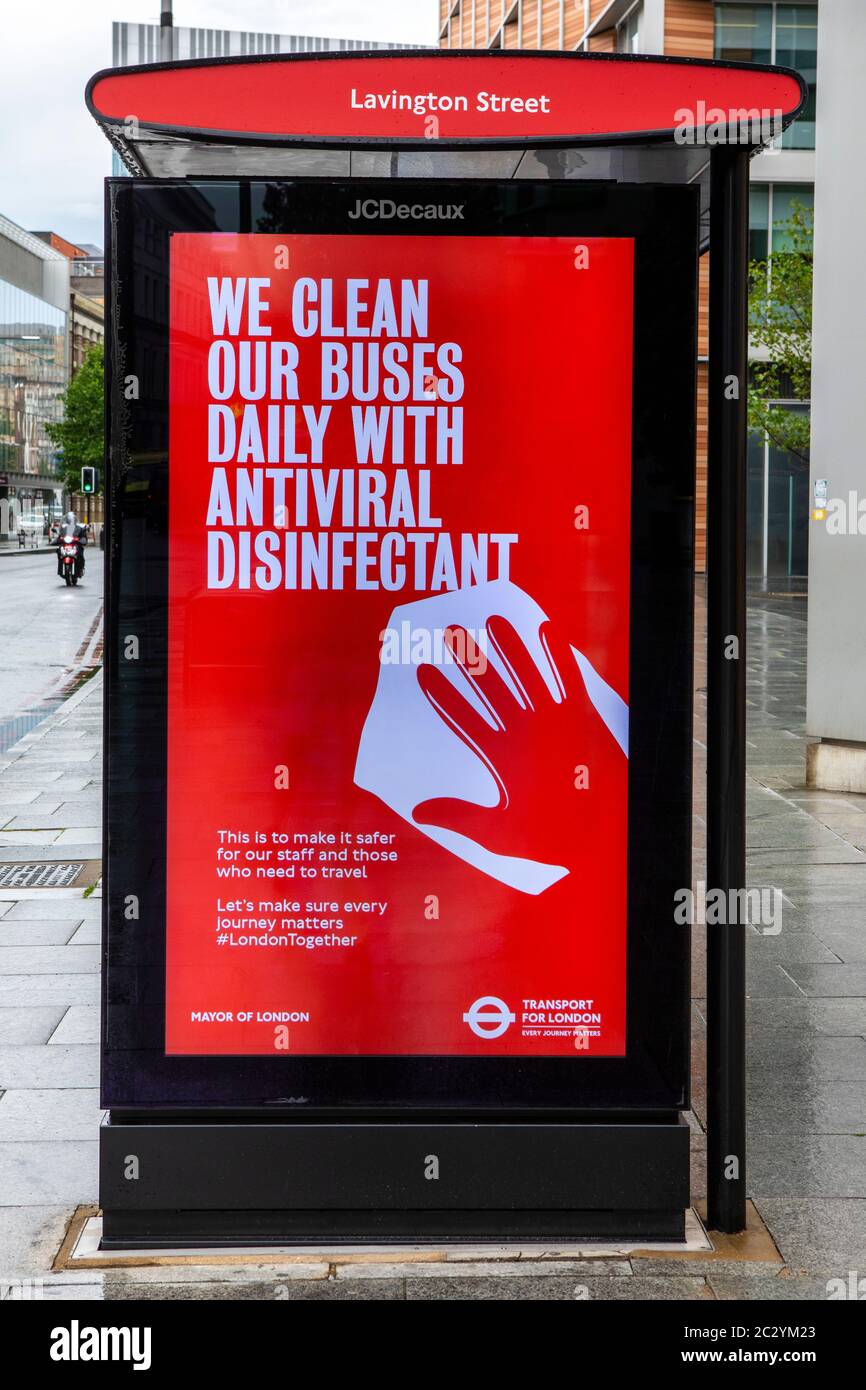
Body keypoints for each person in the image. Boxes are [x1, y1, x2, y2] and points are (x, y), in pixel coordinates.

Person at [56, 510, 87, 580]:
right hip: (66, 543)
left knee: (80, 551)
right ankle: (60, 570)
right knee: (59, 551)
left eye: (71, 519)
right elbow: (60, 534)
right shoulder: (64, 527)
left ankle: (81, 568)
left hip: (74, 543)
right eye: (69, 519)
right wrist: (58, 538)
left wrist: (81, 539)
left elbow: (82, 534)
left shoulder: (78, 527)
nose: (70, 521)